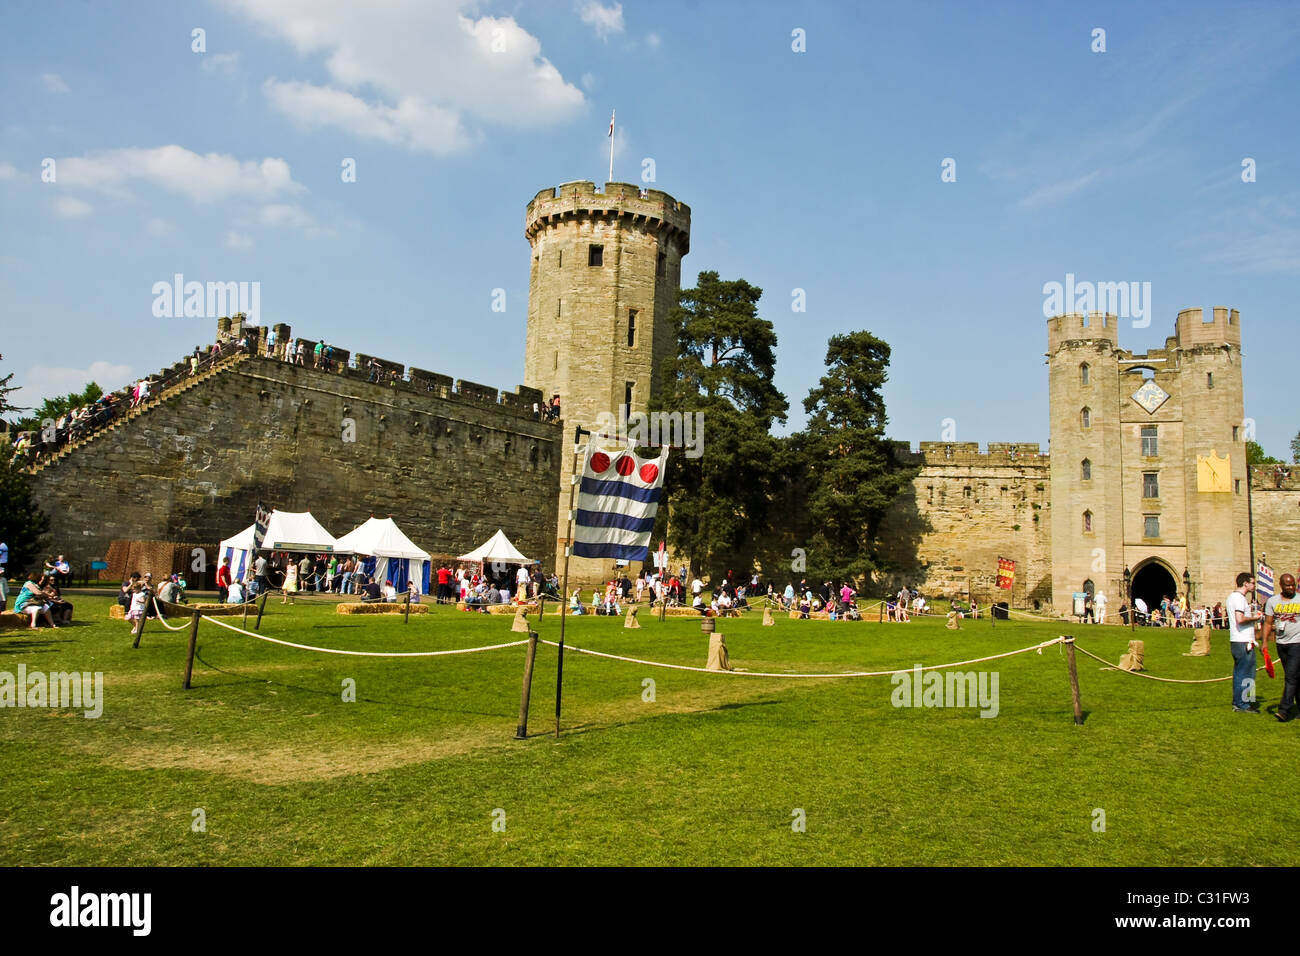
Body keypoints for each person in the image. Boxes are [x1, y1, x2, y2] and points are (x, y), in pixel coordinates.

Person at [1262, 572, 1300, 722]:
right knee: (1296, 677)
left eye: (1293, 585)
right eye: (1288, 585)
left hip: (1297, 643)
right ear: (1281, 585)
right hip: (1281, 643)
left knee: (1291, 676)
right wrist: (1265, 641)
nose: (1291, 587)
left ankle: (1284, 710)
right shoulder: (1272, 601)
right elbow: (1268, 622)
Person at [1228, 571, 1264, 713]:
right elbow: (1240, 619)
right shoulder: (1239, 599)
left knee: (1239, 673)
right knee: (1247, 673)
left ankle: (1240, 702)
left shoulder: (1233, 597)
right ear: (1245, 583)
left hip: (1238, 640)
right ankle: (1244, 704)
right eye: (1253, 583)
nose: (1254, 586)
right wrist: (1256, 618)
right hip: (1243, 641)